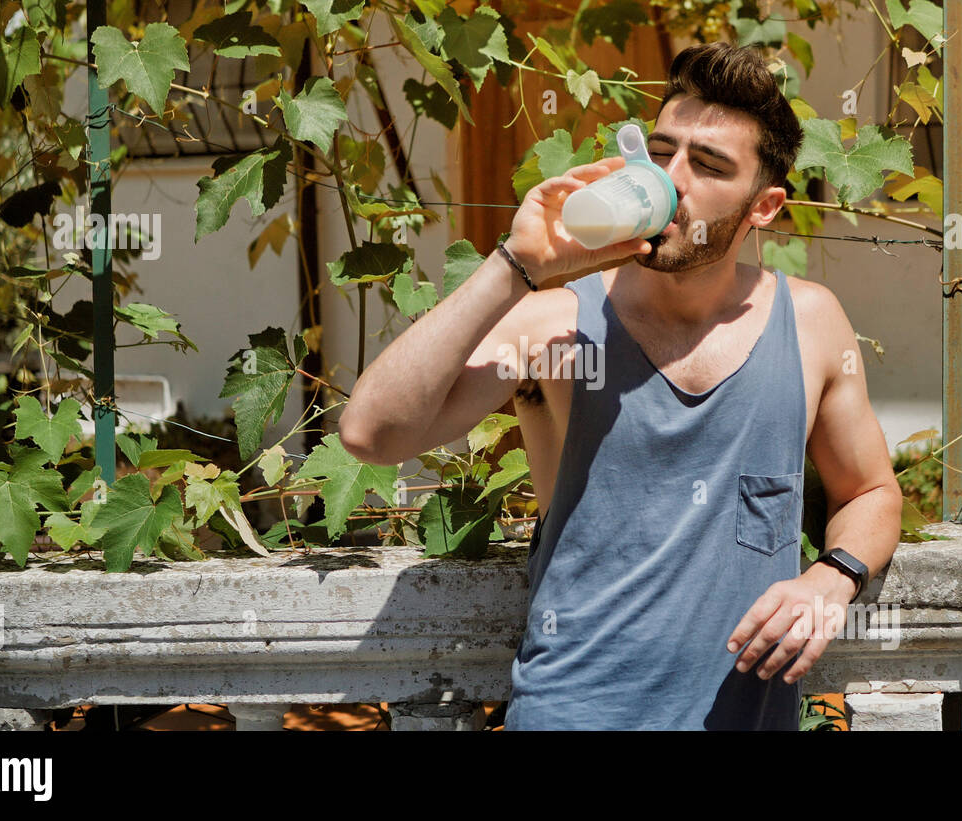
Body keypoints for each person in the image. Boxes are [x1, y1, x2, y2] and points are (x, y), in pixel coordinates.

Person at [339, 42, 903, 730]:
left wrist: (831, 577)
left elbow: (871, 491)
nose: (671, 177)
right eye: (661, 151)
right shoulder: (555, 323)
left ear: (764, 207)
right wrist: (517, 263)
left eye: (707, 165)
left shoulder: (812, 324)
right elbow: (371, 432)